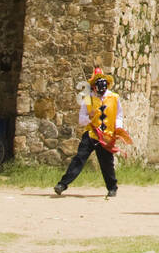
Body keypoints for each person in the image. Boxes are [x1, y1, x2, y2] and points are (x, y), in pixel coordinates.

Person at [55, 67, 129, 198]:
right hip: (91, 134)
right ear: (93, 86)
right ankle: (62, 184)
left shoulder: (114, 98)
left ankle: (112, 188)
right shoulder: (88, 99)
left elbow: (119, 115)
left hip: (106, 136)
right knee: (79, 158)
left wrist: (118, 128)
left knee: (107, 163)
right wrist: (89, 117)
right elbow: (81, 120)